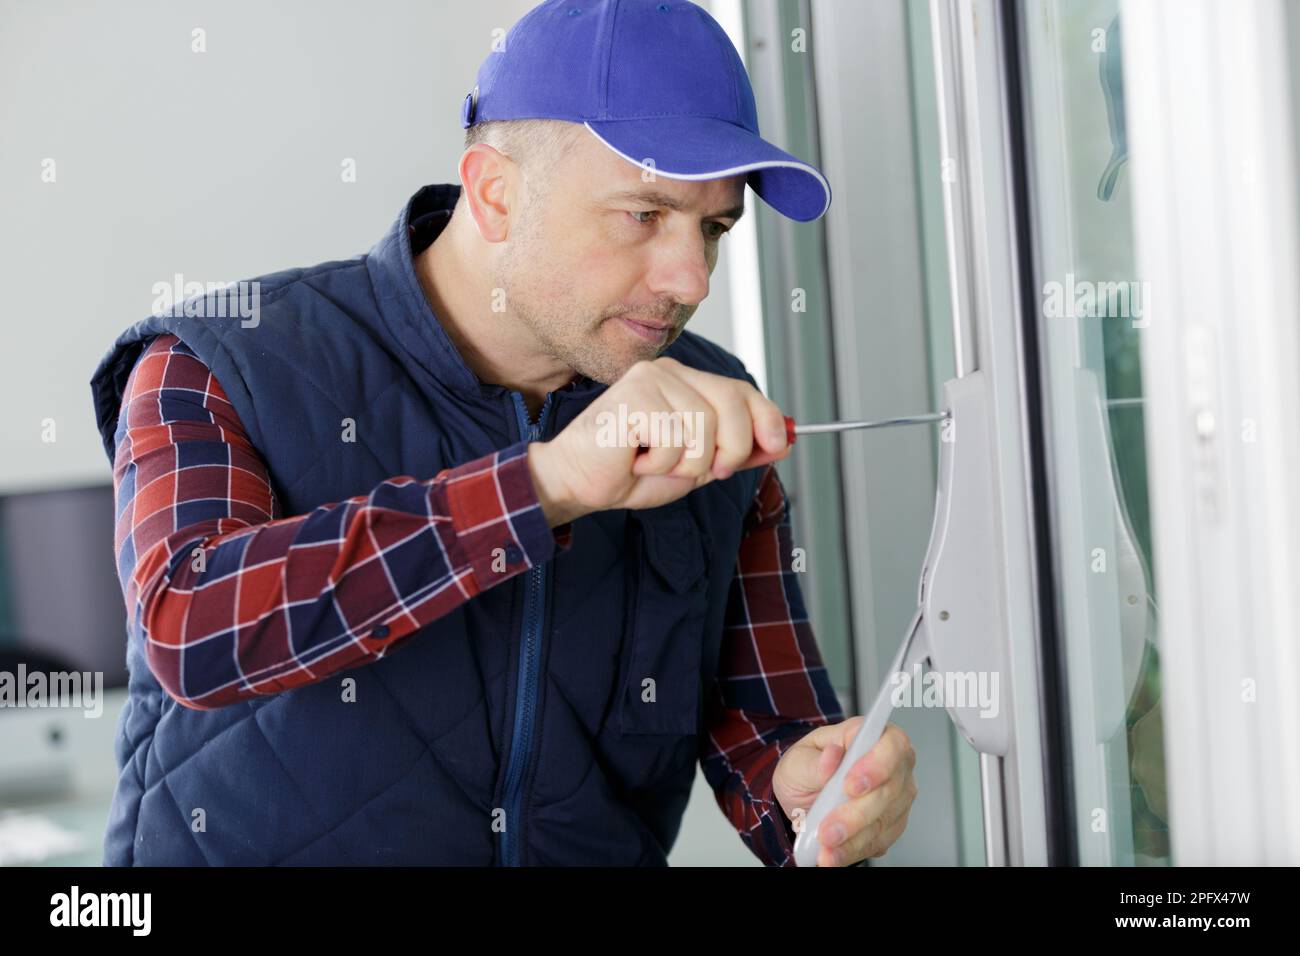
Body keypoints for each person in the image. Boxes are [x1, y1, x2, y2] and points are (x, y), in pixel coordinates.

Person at [88, 0, 916, 867]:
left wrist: (816, 795)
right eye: (643, 215)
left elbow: (769, 735)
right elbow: (191, 626)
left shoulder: (708, 403)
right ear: (495, 193)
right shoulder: (224, 360)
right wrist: (545, 485)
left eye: (711, 229)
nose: (692, 279)